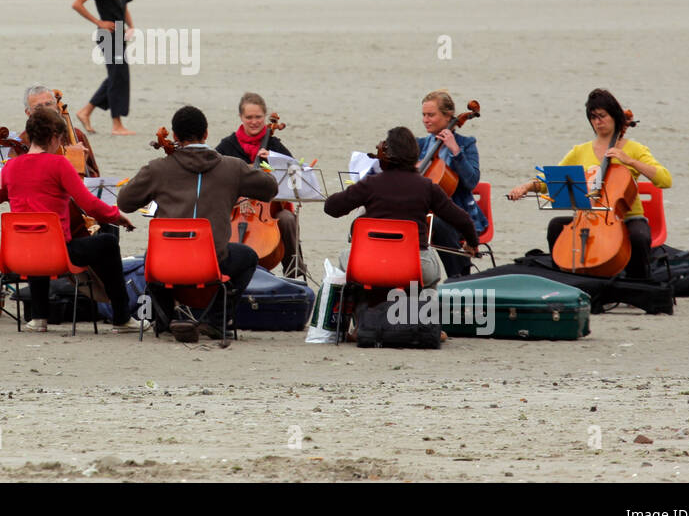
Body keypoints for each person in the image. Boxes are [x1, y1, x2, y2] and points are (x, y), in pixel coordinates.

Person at [117, 105, 277, 342]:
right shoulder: (232, 167)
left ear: (174, 137)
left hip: (165, 264)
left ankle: (165, 320)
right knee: (247, 257)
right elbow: (270, 189)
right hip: (212, 263)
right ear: (206, 134)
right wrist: (263, 168)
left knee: (151, 255)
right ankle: (214, 320)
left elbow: (125, 202)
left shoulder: (158, 168)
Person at [0, 108, 136, 333]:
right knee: (106, 243)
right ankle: (122, 318)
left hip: (19, 256)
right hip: (57, 255)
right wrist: (117, 217)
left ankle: (39, 318)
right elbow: (89, 204)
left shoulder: (11, 166)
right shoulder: (59, 165)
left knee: (35, 236)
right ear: (55, 137)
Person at [507, 88, 671, 279]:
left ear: (615, 116)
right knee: (556, 226)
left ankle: (639, 284)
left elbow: (665, 179)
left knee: (639, 236)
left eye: (602, 116)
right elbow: (549, 181)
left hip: (626, 218)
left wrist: (630, 161)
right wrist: (526, 187)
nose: (597, 122)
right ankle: (565, 279)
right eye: (593, 118)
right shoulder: (580, 151)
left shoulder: (634, 149)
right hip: (589, 218)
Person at [323, 126, 479, 289]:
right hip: (413, 268)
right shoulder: (427, 187)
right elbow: (462, 220)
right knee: (431, 270)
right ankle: (427, 310)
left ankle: (347, 309)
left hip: (370, 265)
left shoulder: (370, 184)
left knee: (343, 262)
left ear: (385, 155)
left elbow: (331, 207)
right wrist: (472, 243)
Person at [214, 92, 303, 279]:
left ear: (264, 117)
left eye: (258, 117)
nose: (254, 121)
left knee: (287, 219)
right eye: (249, 117)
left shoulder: (273, 145)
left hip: (268, 211)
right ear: (241, 118)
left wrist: (273, 160)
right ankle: (217, 271)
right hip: (235, 209)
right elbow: (213, 175)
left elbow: (294, 174)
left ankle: (293, 272)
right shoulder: (227, 146)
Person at [416, 89, 487, 280]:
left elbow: (471, 181)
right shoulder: (420, 145)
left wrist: (456, 151)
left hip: (457, 214)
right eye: (423, 115)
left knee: (438, 224)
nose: (425, 120)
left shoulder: (466, 144)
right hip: (422, 214)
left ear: (448, 116)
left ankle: (458, 279)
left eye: (431, 115)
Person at [73, 0, 135, 136]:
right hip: (106, 35)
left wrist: (131, 26)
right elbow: (77, 4)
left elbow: (123, 8)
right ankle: (116, 125)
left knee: (118, 76)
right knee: (118, 77)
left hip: (119, 34)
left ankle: (86, 111)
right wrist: (99, 22)